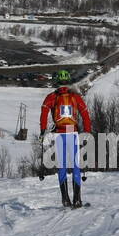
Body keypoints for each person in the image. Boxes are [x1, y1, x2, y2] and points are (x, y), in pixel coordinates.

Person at [39, 70, 91, 207]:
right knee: (75, 166)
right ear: (69, 82)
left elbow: (44, 113)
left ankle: (65, 199)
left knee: (62, 166)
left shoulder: (51, 97)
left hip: (59, 133)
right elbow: (85, 114)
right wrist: (87, 131)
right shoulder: (75, 97)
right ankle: (77, 199)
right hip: (72, 132)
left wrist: (43, 130)